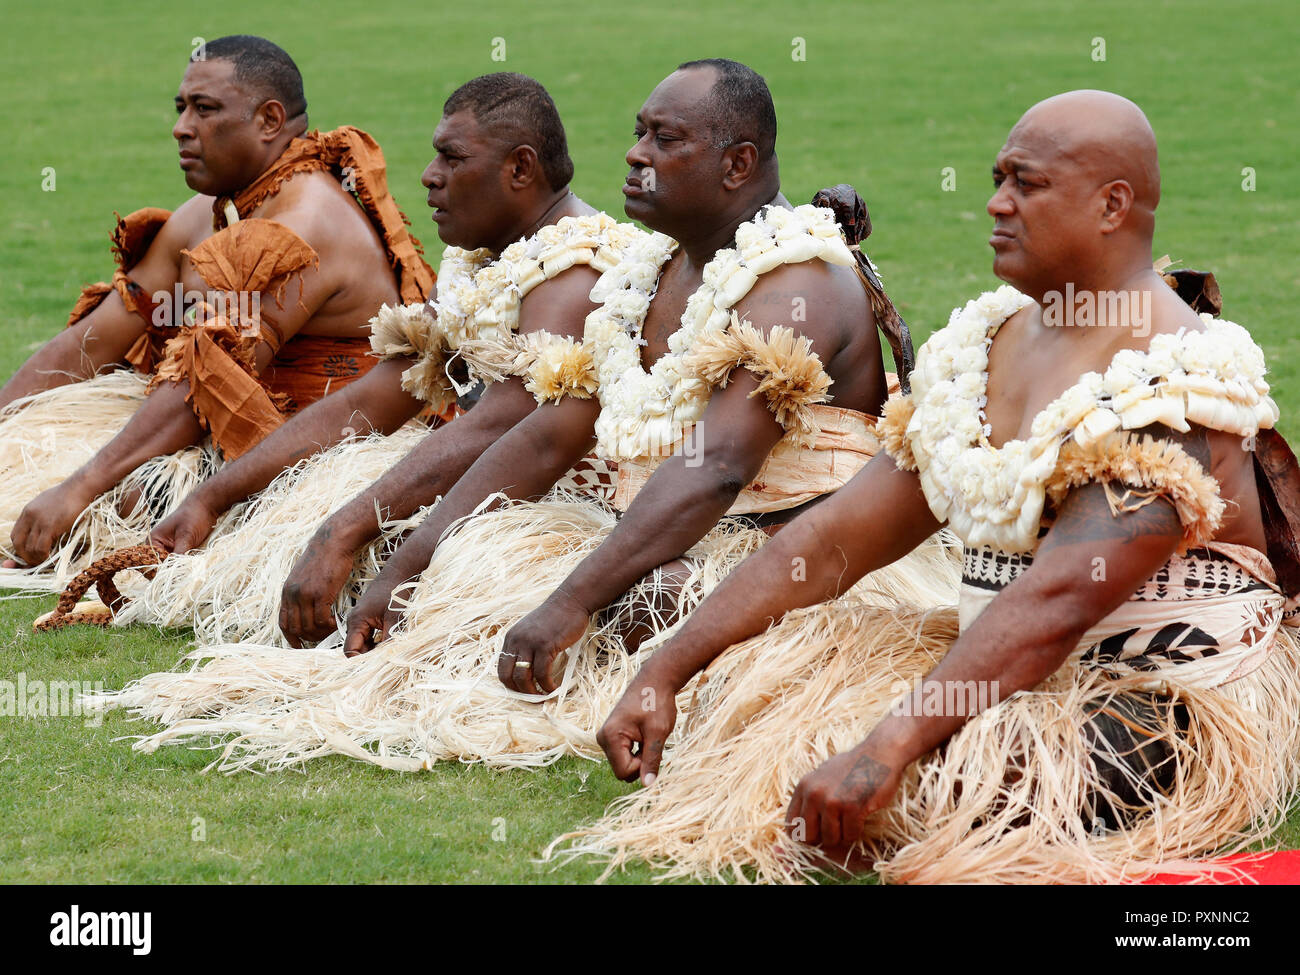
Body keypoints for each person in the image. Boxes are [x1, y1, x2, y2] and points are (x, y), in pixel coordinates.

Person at [97, 59, 959, 773]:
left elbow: (717, 469)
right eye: (637, 131)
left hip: (799, 556)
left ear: (736, 165)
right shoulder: (652, 274)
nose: (631, 156)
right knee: (475, 581)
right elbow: (550, 428)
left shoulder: (794, 281)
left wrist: (569, 600)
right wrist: (413, 559)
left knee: (641, 601)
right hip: (664, 530)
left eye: (665, 140)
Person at [575, 89, 1300, 885]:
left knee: (960, 788)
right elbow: (832, 540)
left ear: (1111, 205)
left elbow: (1059, 602)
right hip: (1007, 658)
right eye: (997, 177)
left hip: (1161, 692)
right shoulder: (984, 347)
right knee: (773, 709)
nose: (995, 202)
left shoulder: (1173, 382)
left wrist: (887, 746)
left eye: (1026, 183)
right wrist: (669, 666)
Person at [87, 72, 645, 647]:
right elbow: (369, 400)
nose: (430, 176)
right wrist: (212, 497)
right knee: (277, 530)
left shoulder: (576, 274)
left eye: (452, 158)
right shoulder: (481, 260)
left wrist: (347, 533)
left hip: (579, 525)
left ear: (521, 169)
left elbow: (500, 427)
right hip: (496, 500)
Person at [0, 34, 433, 584]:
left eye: (204, 109)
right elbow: (103, 332)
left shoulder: (304, 223)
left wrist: (80, 488)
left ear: (270, 120)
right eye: (181, 108)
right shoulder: (212, 210)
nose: (181, 126)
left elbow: (206, 381)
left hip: (329, 452)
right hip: (235, 433)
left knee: (124, 503)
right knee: (34, 451)